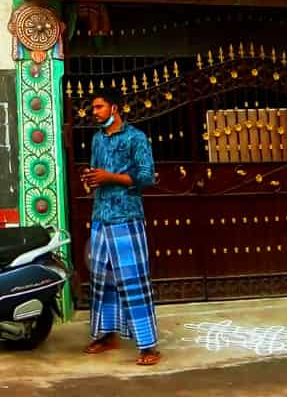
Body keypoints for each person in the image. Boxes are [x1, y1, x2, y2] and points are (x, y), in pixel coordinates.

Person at [80, 88, 162, 366]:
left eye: (99, 107)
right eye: (93, 108)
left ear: (114, 108)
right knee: (101, 280)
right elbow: (96, 173)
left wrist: (110, 177)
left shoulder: (136, 138)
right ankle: (107, 335)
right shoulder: (97, 140)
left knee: (134, 281)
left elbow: (146, 176)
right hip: (101, 216)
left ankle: (148, 345)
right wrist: (91, 178)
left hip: (126, 217)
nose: (95, 113)